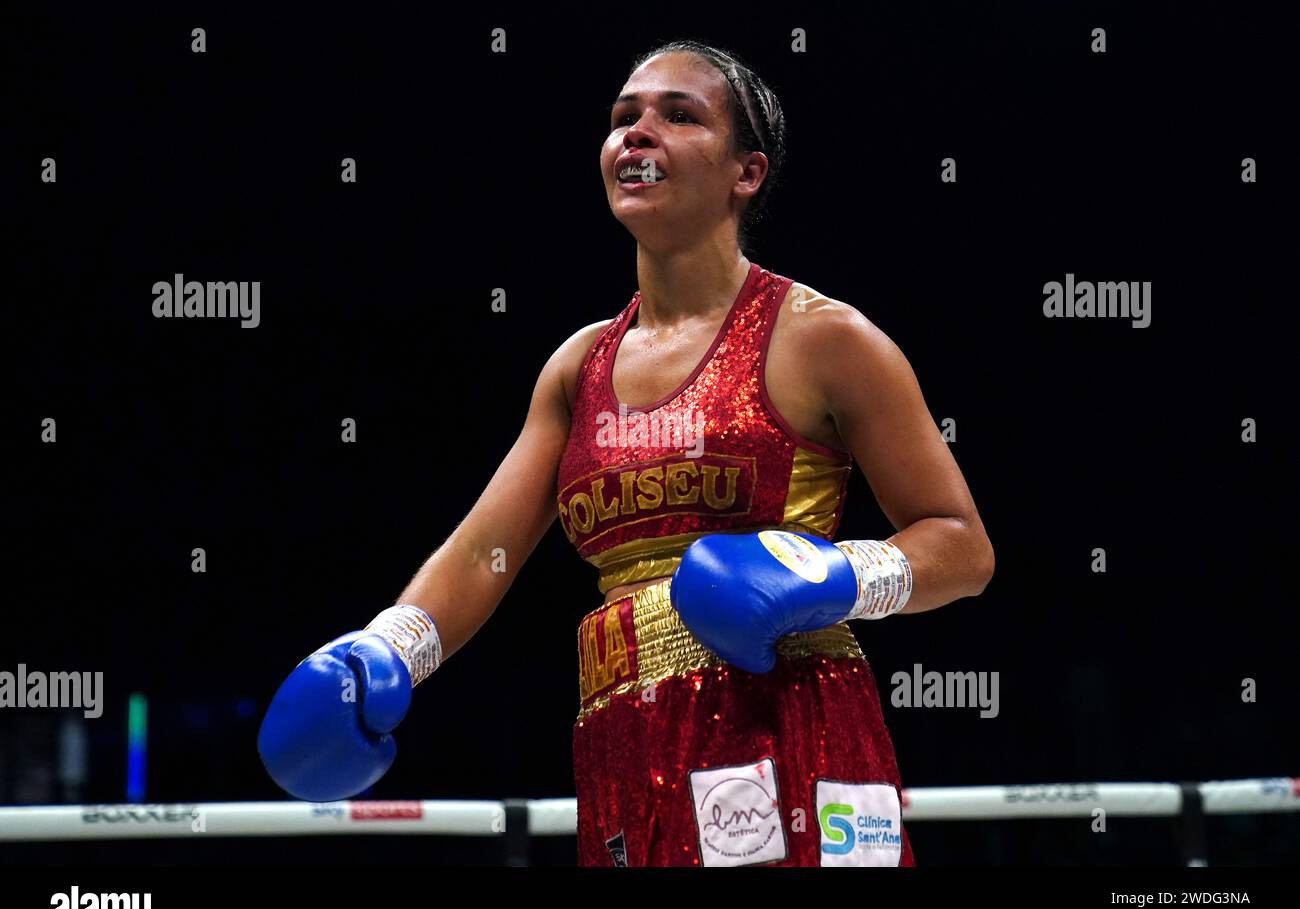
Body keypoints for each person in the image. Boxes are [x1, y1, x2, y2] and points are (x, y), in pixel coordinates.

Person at [258, 39, 994, 867]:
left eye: (678, 117)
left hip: (787, 725)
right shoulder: (579, 367)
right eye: (622, 120)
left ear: (745, 173)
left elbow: (961, 545)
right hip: (620, 736)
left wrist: (839, 576)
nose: (636, 135)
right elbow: (482, 550)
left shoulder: (822, 338)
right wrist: (389, 647)